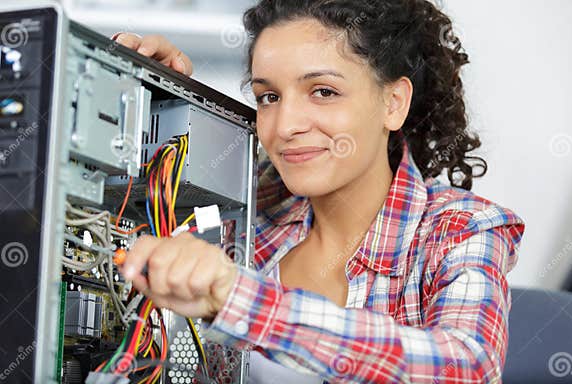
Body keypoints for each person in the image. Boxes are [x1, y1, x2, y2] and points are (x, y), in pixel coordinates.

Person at [118, 0, 525, 382]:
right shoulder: (252, 207)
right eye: (269, 97)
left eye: (323, 91)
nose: (285, 126)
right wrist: (155, 102)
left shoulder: (463, 229)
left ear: (394, 103)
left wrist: (242, 302)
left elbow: (464, 368)